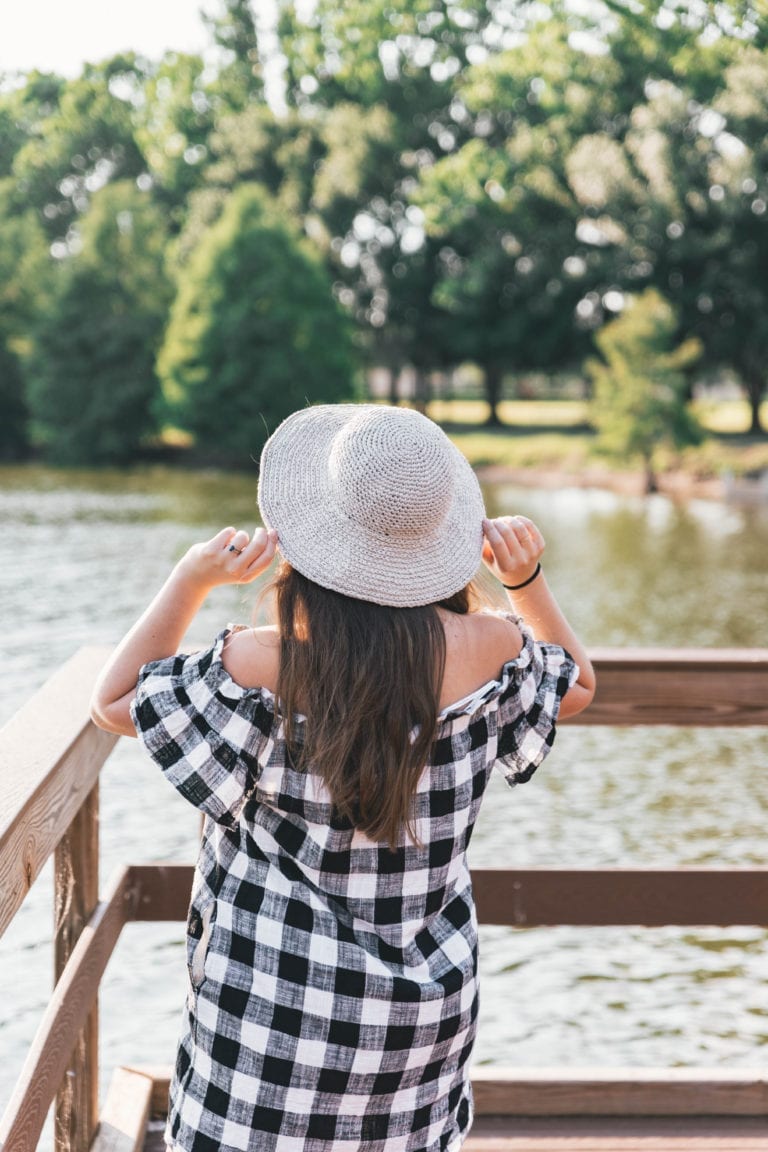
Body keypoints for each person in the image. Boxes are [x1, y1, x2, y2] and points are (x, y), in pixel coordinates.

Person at [91, 403, 595, 1152]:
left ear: (312, 538)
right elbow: (577, 684)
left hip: (270, 1020)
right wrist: (526, 581)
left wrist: (191, 577)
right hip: (417, 1028)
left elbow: (114, 702)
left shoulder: (262, 663)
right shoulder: (495, 649)